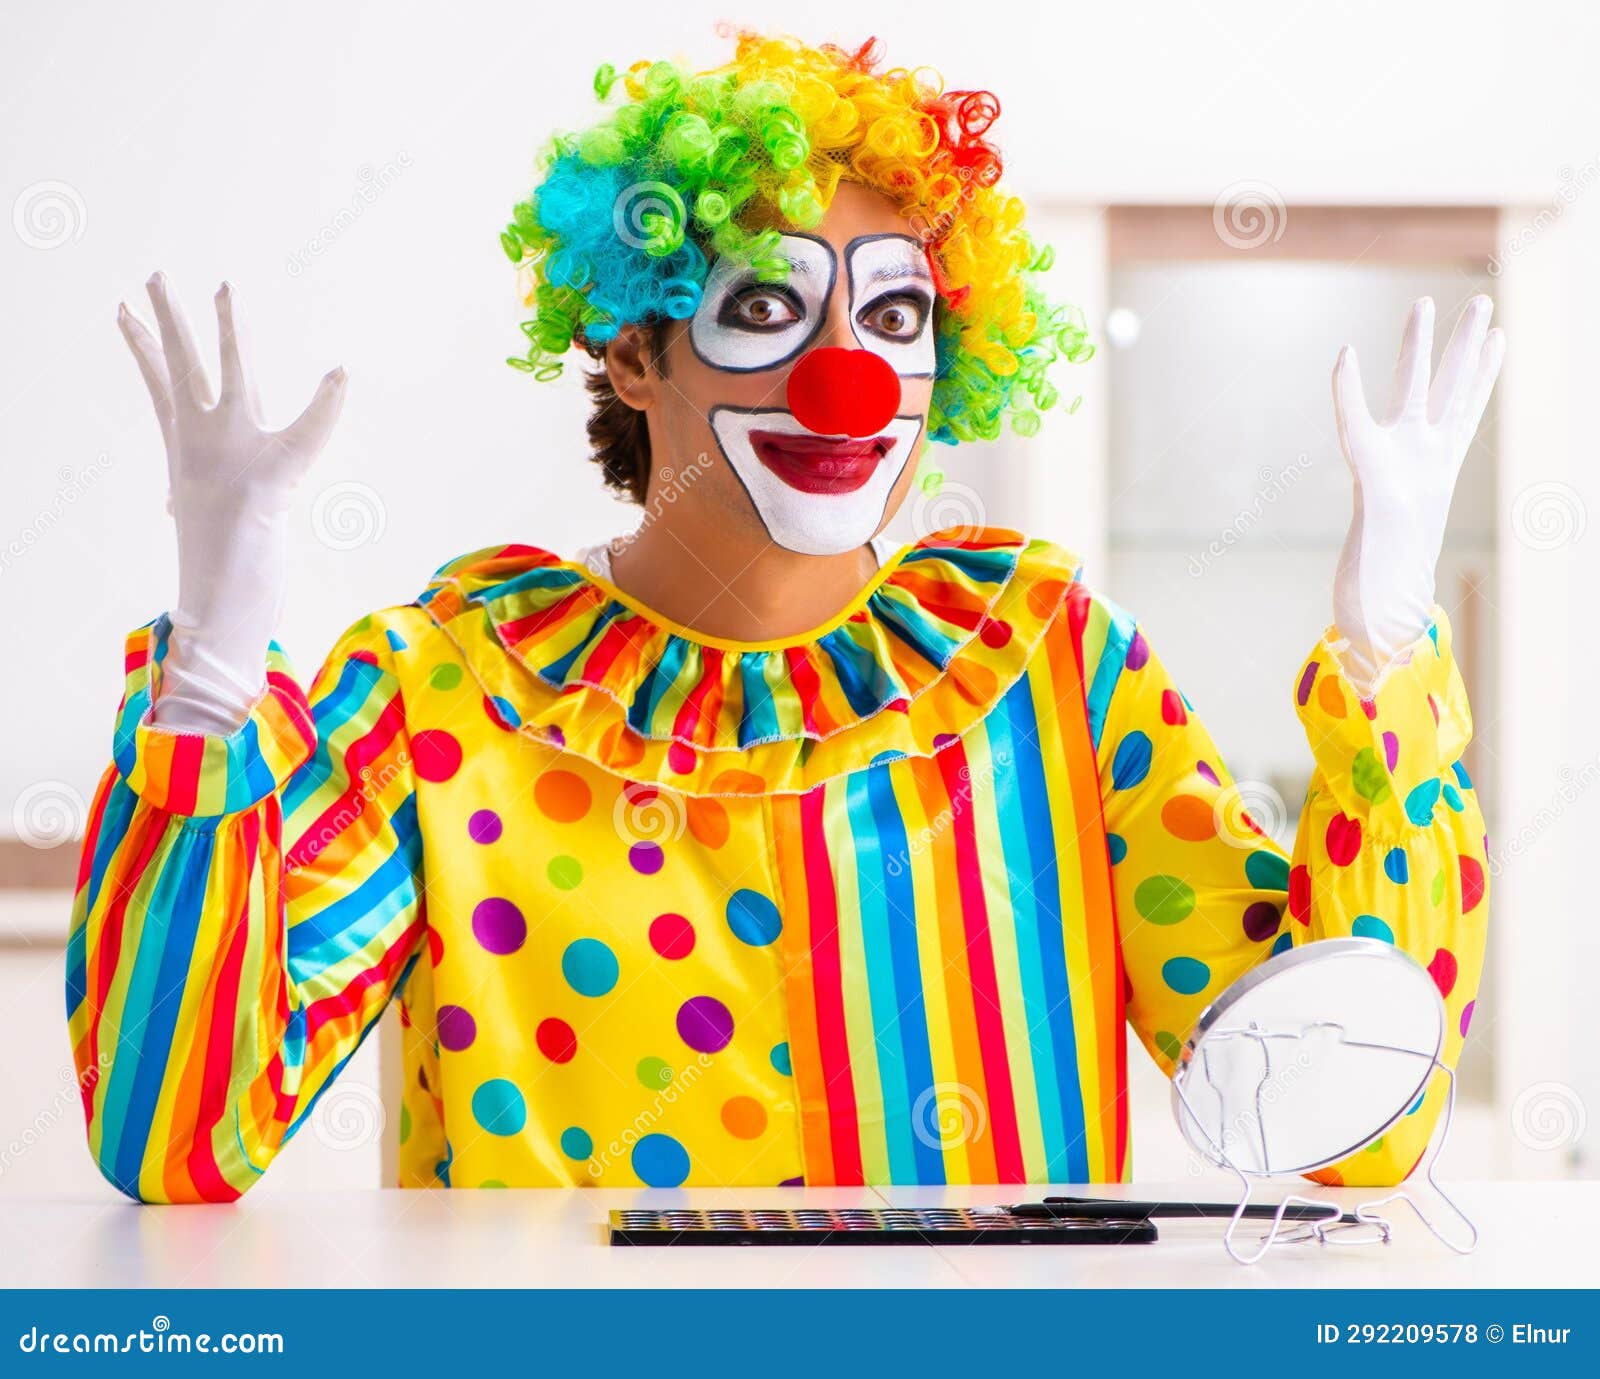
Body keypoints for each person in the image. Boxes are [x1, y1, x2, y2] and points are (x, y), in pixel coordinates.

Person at [69, 32, 1502, 1201]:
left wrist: (1386, 654)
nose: (850, 384)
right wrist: (207, 677)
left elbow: (1356, 1125)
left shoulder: (1055, 669)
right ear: (636, 352)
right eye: (771, 310)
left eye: (892, 321)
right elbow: (180, 1139)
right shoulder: (447, 694)